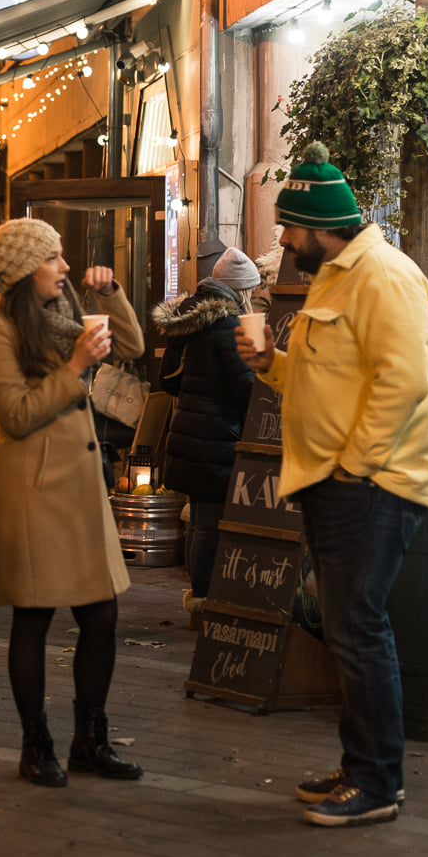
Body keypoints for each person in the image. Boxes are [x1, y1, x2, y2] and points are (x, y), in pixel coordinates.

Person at [234, 144, 428, 828]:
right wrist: (271, 362)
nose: (285, 240)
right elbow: (328, 379)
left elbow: (404, 382)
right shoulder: (336, 274)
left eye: (290, 228)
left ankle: (378, 780)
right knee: (349, 627)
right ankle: (361, 766)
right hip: (336, 480)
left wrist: (356, 463)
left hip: (370, 483)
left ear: (321, 225)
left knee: (358, 626)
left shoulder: (384, 276)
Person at [0, 218, 145, 788]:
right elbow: (16, 415)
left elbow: (136, 348)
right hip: (33, 489)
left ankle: (89, 740)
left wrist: (110, 294)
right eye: (54, 258)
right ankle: (35, 743)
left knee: (103, 615)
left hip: (81, 488)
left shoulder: (65, 316)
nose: (65, 267)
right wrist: (75, 370)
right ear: (26, 269)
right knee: (36, 613)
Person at [153, 247, 260, 604]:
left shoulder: (188, 320)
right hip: (217, 437)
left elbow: (167, 380)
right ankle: (205, 600)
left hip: (188, 432)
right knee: (210, 523)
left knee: (199, 519)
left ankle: (199, 597)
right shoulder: (229, 325)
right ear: (240, 291)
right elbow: (246, 389)